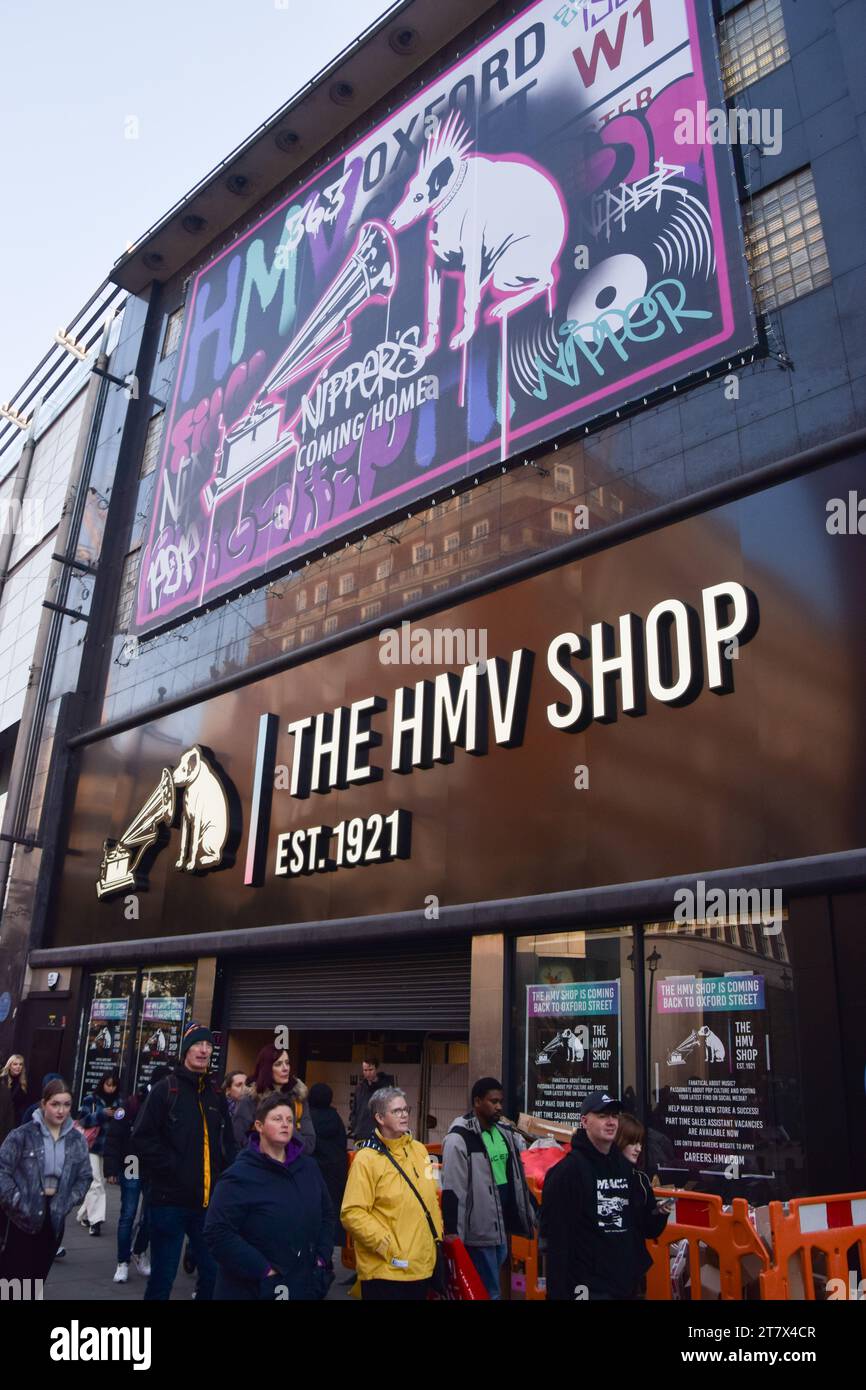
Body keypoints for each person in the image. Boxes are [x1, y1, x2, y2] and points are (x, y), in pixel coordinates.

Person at [131, 1022, 237, 1301]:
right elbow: (141, 1138)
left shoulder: (215, 1097)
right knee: (162, 1280)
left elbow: (227, 1145)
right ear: (185, 1050)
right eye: (197, 1045)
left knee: (212, 1276)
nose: (203, 1050)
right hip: (169, 1203)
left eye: (208, 1046)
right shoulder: (167, 1090)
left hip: (207, 1206)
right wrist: (172, 1168)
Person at [204, 1093, 335, 1300]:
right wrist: (264, 1270)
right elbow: (217, 1232)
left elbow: (327, 1214)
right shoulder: (239, 1175)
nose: (285, 1124)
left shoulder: (308, 1167)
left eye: (290, 1120)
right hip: (253, 1288)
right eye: (277, 1119)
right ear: (259, 1125)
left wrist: (321, 1258)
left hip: (303, 1283)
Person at [540, 1090, 668, 1301]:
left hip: (624, 1285)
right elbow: (556, 1241)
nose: (611, 1122)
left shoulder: (625, 1169)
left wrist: (659, 1212)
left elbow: (639, 1225)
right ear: (584, 1121)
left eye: (614, 1116)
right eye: (602, 1116)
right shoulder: (567, 1172)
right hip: (586, 1289)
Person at [341, 1086, 442, 1301]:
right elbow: (352, 1212)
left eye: (406, 1109)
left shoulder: (420, 1151)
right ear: (379, 1117)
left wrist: (436, 1240)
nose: (404, 1114)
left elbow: (432, 1199)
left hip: (421, 1267)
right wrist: (386, 1246)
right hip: (385, 1271)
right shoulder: (366, 1159)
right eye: (396, 1111)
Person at [441, 1076, 536, 1299]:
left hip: (501, 1226)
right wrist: (455, 1236)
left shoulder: (503, 1132)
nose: (499, 1107)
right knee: (488, 1290)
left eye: (500, 1101)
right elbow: (454, 1191)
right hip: (478, 1230)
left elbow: (517, 1177)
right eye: (493, 1101)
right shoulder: (459, 1138)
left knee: (493, 1285)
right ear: (477, 1102)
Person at [0, 1078, 92, 1281]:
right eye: (55, 1104)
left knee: (36, 1280)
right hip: (21, 1220)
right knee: (14, 1284)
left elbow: (85, 1177)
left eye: (66, 1104)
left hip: (53, 1219)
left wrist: (68, 1200)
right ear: (44, 1104)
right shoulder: (22, 1135)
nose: (61, 1110)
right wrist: (16, 1199)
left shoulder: (76, 1141)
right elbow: (2, 1170)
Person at [104, 1065, 171, 1283]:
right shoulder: (133, 1103)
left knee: (151, 1216)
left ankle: (139, 1250)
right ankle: (122, 1262)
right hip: (132, 1161)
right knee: (128, 1213)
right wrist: (111, 1168)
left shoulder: (169, 1103)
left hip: (153, 1165)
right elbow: (115, 1135)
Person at [233, 1044, 316, 1156]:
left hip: (291, 1166)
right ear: (266, 1068)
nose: (285, 1068)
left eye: (287, 1063)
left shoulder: (298, 1098)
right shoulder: (252, 1098)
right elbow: (236, 1139)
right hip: (259, 1167)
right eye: (278, 1064)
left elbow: (309, 1145)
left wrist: (287, 1127)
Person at [76, 1068, 122, 1237]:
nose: (110, 1088)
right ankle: (96, 1221)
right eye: (108, 1085)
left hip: (109, 1149)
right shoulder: (91, 1099)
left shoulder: (120, 1102)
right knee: (96, 1182)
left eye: (113, 1086)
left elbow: (122, 1126)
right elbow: (83, 1120)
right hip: (92, 1146)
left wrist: (118, 1115)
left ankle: (84, 1214)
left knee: (98, 1184)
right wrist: (101, 1114)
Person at [308, 1082, 349, 1246]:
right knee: (334, 1204)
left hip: (316, 1168)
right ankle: (336, 1237)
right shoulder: (335, 1118)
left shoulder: (308, 1118)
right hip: (336, 1168)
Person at [348, 1058, 394, 1143]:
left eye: (370, 1070)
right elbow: (354, 1109)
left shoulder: (385, 1088)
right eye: (365, 1070)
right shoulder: (360, 1087)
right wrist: (354, 1126)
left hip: (379, 1135)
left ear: (376, 1069)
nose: (368, 1073)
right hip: (361, 1134)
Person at [223, 1071, 252, 1150]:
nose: (245, 1088)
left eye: (247, 1085)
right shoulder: (221, 1111)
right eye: (239, 1085)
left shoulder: (253, 1108)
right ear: (228, 1090)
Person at [1, 1054, 29, 1127]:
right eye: (15, 1064)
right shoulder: (3, 1080)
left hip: (16, 1120)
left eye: (20, 1064)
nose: (18, 1067)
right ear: (10, 1066)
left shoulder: (23, 1083)